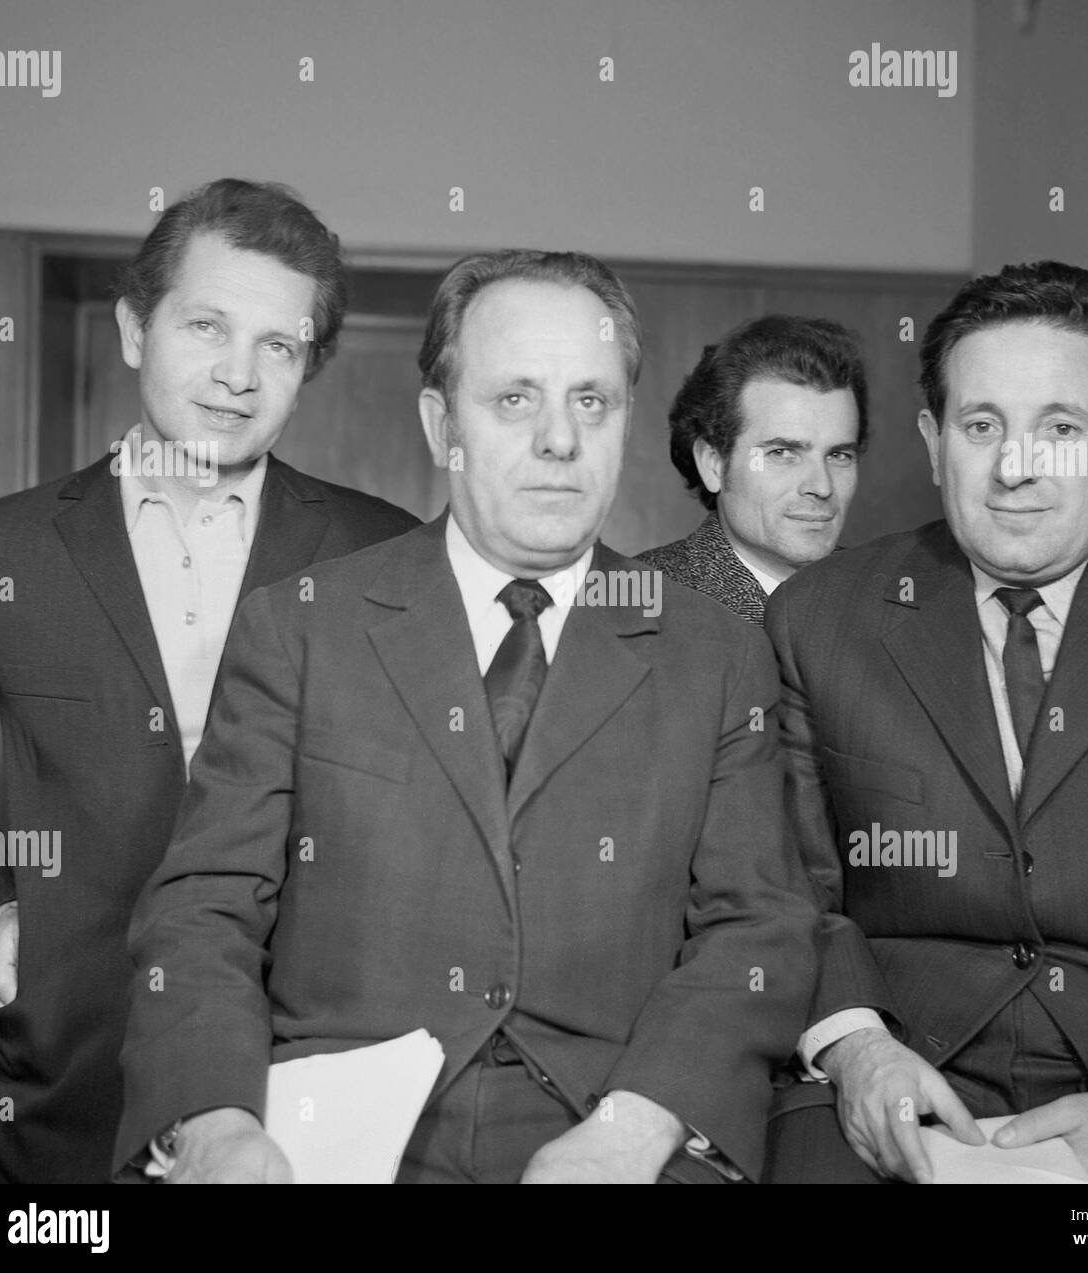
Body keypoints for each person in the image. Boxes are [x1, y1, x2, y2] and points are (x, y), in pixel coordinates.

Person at [113, 249, 816, 1184]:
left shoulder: (718, 653)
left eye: (592, 402)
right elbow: (204, 909)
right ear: (442, 423)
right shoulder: (301, 628)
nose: (560, 440)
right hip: (332, 1136)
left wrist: (638, 1125)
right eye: (516, 400)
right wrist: (218, 1124)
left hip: (612, 1129)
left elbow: (757, 930)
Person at [0, 178, 419, 1183]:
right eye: (206, 325)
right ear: (133, 328)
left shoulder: (384, 556)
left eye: (278, 346)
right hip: (53, 1079)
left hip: (308, 1078)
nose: (236, 375)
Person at [764, 260, 1088, 1184]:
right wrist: (858, 1052)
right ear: (933, 439)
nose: (1016, 466)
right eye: (981, 425)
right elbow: (790, 892)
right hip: (889, 1091)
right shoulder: (819, 616)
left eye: (1062, 429)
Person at [638, 315, 866, 625]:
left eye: (838, 455)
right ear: (713, 463)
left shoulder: (880, 599)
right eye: (782, 452)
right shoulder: (641, 600)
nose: (821, 486)